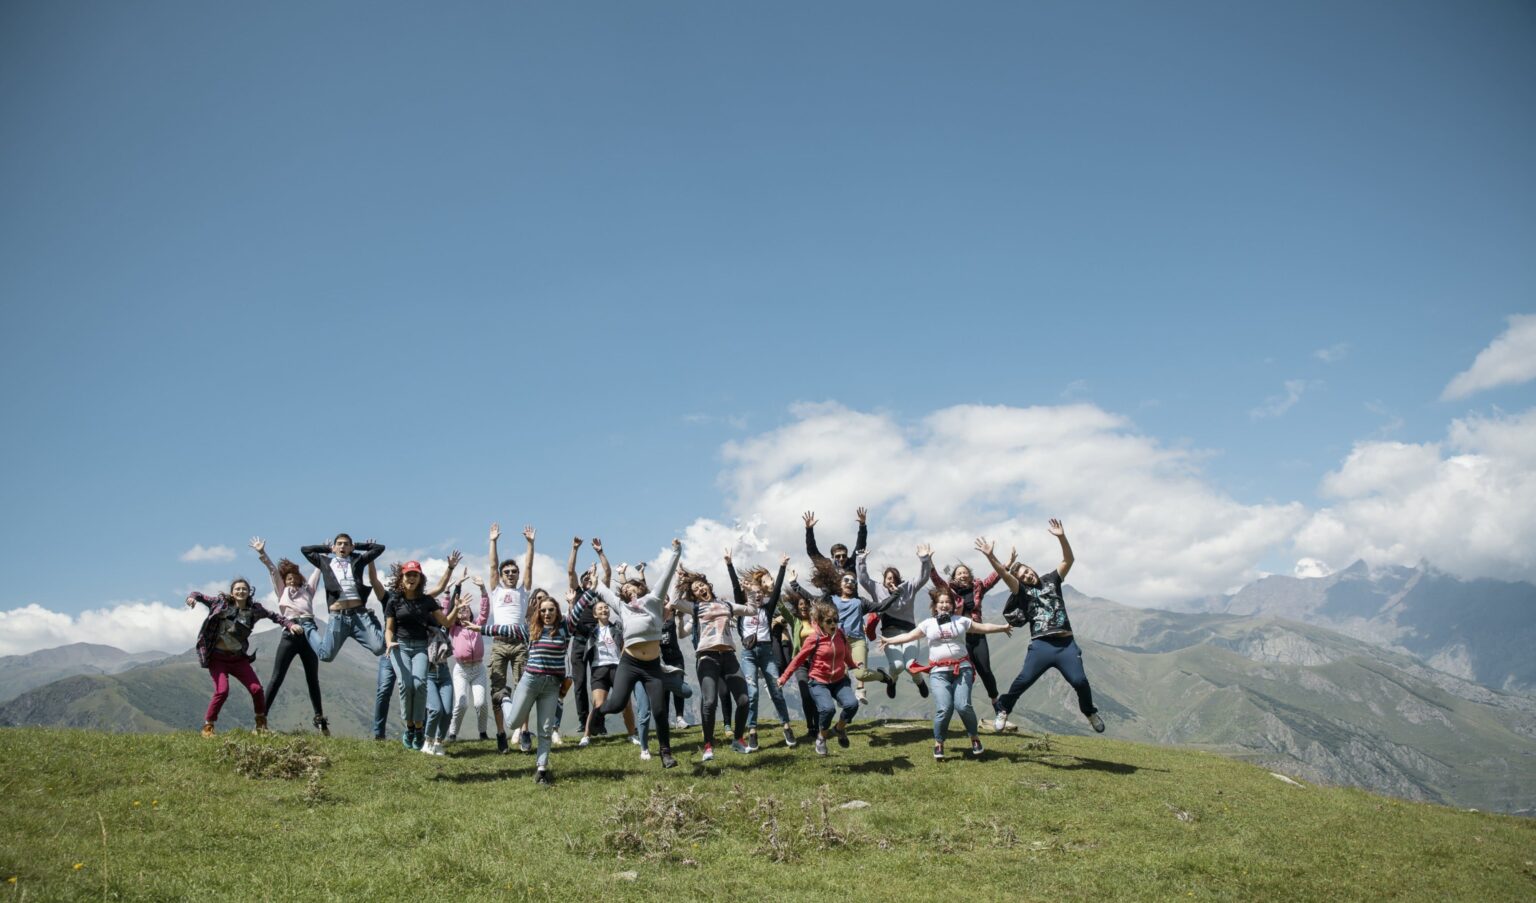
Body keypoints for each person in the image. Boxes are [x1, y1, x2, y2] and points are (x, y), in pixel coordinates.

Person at [978, 524, 1104, 735]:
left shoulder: (1051, 580)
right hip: (1041, 645)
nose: (1028, 576)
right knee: (1023, 680)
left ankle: (1089, 713)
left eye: (1027, 571)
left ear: (1031, 568)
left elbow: (1068, 560)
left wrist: (1061, 537)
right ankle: (1003, 709)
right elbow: (1003, 574)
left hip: (1066, 645)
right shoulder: (1021, 591)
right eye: (1023, 576)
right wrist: (991, 556)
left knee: (1080, 681)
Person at [479, 584, 597, 784]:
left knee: (545, 729)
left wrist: (591, 590)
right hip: (530, 682)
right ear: (538, 612)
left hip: (551, 686)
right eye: (543, 611)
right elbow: (506, 629)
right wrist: (480, 629)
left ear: (556, 611)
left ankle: (541, 770)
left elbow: (579, 608)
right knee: (513, 723)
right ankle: (504, 697)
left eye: (551, 610)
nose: (547, 613)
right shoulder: (531, 629)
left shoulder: (565, 628)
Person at [878, 585, 1013, 759]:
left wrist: (1003, 628)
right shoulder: (928, 624)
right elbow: (909, 636)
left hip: (962, 669)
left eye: (948, 602)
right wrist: (889, 640)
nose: (944, 605)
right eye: (941, 602)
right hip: (938, 672)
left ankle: (974, 738)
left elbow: (983, 627)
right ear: (935, 606)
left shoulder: (961, 621)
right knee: (944, 708)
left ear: (953, 605)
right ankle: (939, 743)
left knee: (963, 706)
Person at [589, 538, 684, 769]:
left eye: (630, 587)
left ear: (640, 588)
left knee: (659, 710)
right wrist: (595, 581)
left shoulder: (654, 600)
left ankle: (665, 753)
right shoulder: (622, 608)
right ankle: (599, 713)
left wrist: (676, 551)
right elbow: (605, 593)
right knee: (617, 704)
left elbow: (666, 575)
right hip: (629, 663)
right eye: (624, 590)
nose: (626, 590)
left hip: (652, 666)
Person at [186, 577, 301, 737]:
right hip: (217, 658)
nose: (241, 591)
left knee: (256, 689)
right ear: (232, 592)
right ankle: (208, 727)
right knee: (222, 691)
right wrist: (192, 598)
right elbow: (198, 595)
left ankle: (261, 725)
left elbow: (275, 616)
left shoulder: (254, 610)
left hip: (238, 658)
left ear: (249, 592)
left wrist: (290, 625)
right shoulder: (220, 603)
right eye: (237, 589)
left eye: (244, 589)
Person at [677, 551, 758, 761]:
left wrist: (750, 592)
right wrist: (680, 582)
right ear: (693, 595)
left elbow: (751, 610)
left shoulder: (726, 605)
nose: (700, 589)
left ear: (708, 585)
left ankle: (738, 740)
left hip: (729, 656)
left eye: (701, 585)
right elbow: (675, 602)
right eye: (695, 589)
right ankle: (707, 745)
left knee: (744, 700)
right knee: (710, 702)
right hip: (707, 657)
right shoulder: (695, 608)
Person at [382, 552, 464, 753]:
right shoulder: (394, 601)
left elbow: (446, 622)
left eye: (415, 575)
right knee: (405, 684)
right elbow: (389, 628)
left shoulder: (426, 601)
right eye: (408, 574)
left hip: (420, 647)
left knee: (419, 685)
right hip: (399, 646)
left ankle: (418, 728)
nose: (411, 578)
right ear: (402, 578)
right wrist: (389, 642)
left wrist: (456, 608)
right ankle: (409, 727)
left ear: (420, 579)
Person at [250, 537, 329, 735]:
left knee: (312, 679)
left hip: (309, 632)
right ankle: (262, 719)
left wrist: (323, 555)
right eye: (288, 579)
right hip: (290, 633)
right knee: (277, 676)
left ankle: (320, 720)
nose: (292, 581)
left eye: (295, 578)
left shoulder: (308, 590)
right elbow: (272, 570)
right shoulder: (282, 591)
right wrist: (262, 553)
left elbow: (317, 572)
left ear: (300, 578)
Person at [929, 546, 1015, 723]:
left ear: (970, 575)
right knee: (962, 673)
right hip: (959, 637)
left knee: (985, 670)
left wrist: (1007, 563)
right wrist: (928, 561)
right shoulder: (949, 591)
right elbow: (936, 579)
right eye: (959, 573)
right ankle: (961, 708)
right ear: (954, 577)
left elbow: (995, 576)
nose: (962, 575)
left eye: (965, 572)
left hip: (977, 634)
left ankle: (996, 703)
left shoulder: (978, 587)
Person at [790, 567, 892, 705]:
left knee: (860, 674)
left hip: (857, 641)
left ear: (855, 586)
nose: (849, 583)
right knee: (840, 675)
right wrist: (795, 585)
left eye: (853, 581)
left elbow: (881, 606)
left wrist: (896, 594)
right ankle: (844, 699)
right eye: (846, 580)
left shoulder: (860, 602)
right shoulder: (832, 600)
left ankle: (883, 677)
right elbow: (812, 598)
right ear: (840, 584)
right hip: (839, 641)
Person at [730, 553, 795, 750]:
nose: (757, 595)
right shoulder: (742, 608)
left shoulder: (767, 608)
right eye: (754, 592)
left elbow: (776, 590)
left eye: (760, 592)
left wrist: (782, 567)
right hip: (748, 654)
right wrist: (729, 564)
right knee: (752, 693)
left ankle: (786, 726)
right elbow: (735, 589)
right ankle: (752, 731)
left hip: (767, 652)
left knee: (776, 690)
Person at [777, 603, 859, 756]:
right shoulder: (814, 638)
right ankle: (821, 737)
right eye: (829, 621)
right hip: (818, 682)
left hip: (839, 680)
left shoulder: (840, 635)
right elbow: (798, 659)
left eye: (835, 620)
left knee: (852, 704)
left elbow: (845, 654)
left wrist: (853, 664)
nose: (833, 624)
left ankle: (839, 729)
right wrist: (783, 678)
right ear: (820, 622)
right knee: (828, 709)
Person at [855, 545, 935, 701]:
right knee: (897, 666)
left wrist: (924, 559)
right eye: (888, 578)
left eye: (894, 578)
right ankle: (892, 680)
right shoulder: (878, 589)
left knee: (911, 666)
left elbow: (923, 577)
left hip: (910, 634)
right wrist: (861, 560)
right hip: (889, 634)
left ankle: (919, 681)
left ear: (899, 579)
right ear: (884, 581)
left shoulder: (908, 588)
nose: (891, 580)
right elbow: (863, 580)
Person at [486, 522, 536, 753]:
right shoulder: (496, 590)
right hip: (499, 644)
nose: (510, 574)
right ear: (501, 575)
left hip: (519, 645)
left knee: (523, 688)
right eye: (506, 572)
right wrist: (493, 541)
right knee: (497, 689)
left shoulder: (523, 591)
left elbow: (529, 566)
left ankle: (524, 732)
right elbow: (492, 565)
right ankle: (500, 734)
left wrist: (530, 544)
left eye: (513, 571)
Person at [299, 534, 387, 660]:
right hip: (338, 617)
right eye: (339, 544)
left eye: (346, 544)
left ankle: (371, 618)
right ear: (334, 547)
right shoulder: (325, 562)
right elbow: (305, 550)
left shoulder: (358, 560)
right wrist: (328, 548)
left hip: (359, 615)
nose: (342, 546)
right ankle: (307, 625)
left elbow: (380, 548)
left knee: (380, 648)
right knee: (326, 656)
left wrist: (358, 546)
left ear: (351, 548)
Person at [577, 597, 638, 746]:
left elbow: (626, 643)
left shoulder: (617, 627)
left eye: (606, 608)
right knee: (597, 704)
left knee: (626, 703)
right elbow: (575, 624)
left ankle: (632, 735)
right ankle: (586, 736)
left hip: (617, 668)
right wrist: (573, 604)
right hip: (598, 669)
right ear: (595, 614)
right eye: (600, 608)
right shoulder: (591, 631)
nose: (604, 610)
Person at [446, 576, 492, 743]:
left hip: (478, 669)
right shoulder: (453, 628)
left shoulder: (477, 624)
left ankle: (482, 733)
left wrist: (483, 590)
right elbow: (446, 614)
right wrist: (447, 594)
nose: (463, 611)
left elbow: (485, 611)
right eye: (460, 610)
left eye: (466, 609)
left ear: (471, 612)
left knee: (481, 703)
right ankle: (452, 734)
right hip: (461, 670)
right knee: (461, 703)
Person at [803, 508, 867, 579]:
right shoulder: (827, 566)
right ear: (832, 557)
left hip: (851, 586)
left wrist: (862, 525)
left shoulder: (852, 563)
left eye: (844, 556)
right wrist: (809, 529)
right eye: (838, 556)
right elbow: (812, 551)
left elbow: (861, 545)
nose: (841, 558)